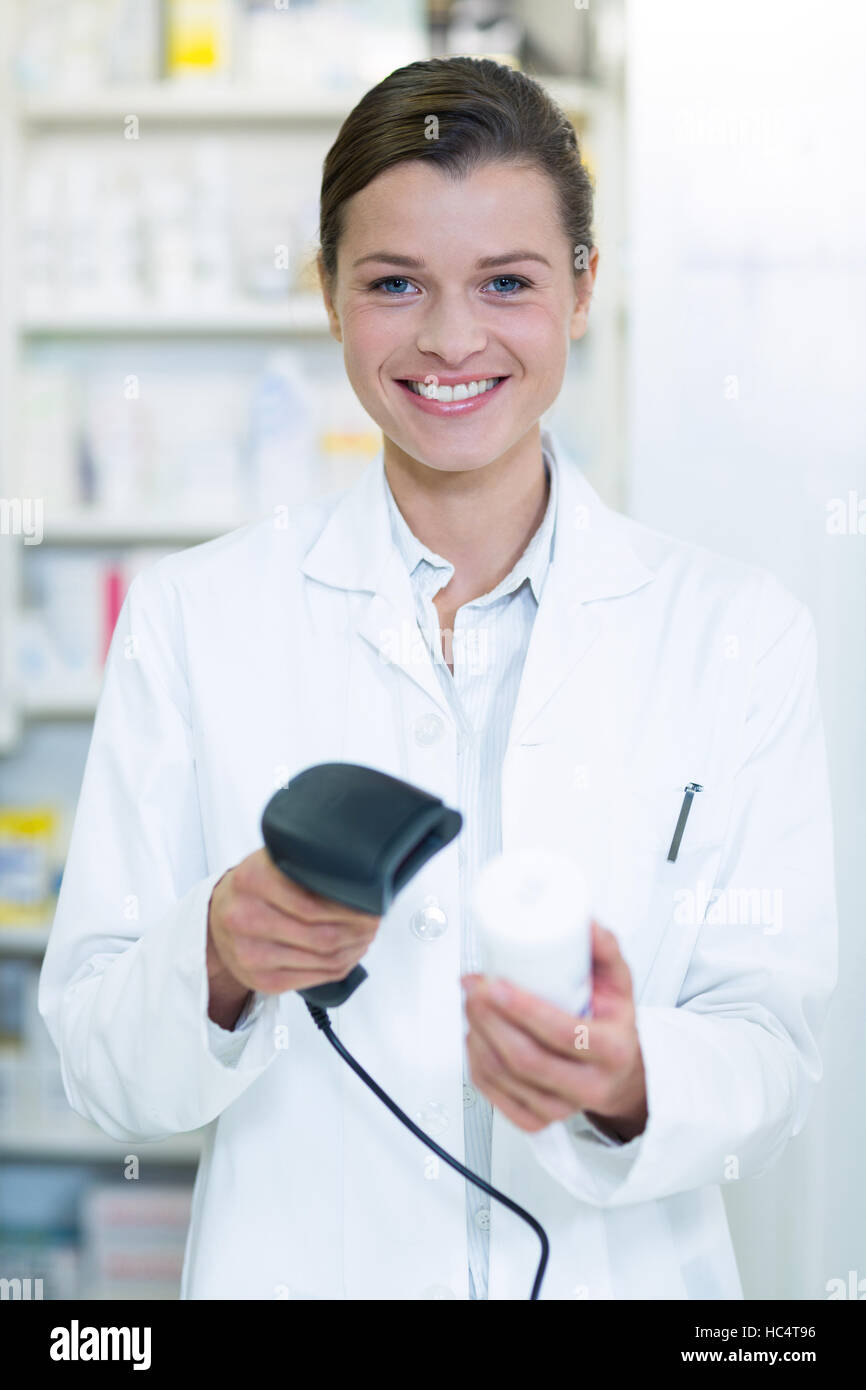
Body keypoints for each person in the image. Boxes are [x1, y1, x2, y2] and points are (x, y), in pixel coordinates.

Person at [39, 57, 837, 1301]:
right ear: (329, 297)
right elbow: (96, 1057)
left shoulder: (736, 635)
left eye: (506, 283)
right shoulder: (197, 618)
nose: (450, 337)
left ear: (580, 289)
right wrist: (218, 952)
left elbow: (774, 1054)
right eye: (394, 283)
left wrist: (634, 1078)